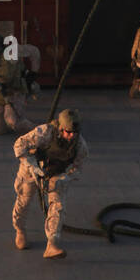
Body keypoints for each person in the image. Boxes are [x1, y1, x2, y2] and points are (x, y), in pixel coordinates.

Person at [12, 108, 89, 259]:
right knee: (24, 200)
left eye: (74, 132)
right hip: (33, 168)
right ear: (60, 128)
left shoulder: (80, 146)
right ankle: (20, 229)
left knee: (58, 206)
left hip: (56, 174)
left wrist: (65, 178)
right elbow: (19, 145)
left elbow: (77, 168)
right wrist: (31, 166)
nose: (71, 135)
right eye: (67, 132)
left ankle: (52, 243)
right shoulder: (45, 132)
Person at [0, 31, 33, 136]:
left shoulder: (9, 56)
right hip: (0, 95)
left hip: (14, 92)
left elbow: (6, 77)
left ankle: (36, 130)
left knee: (12, 120)